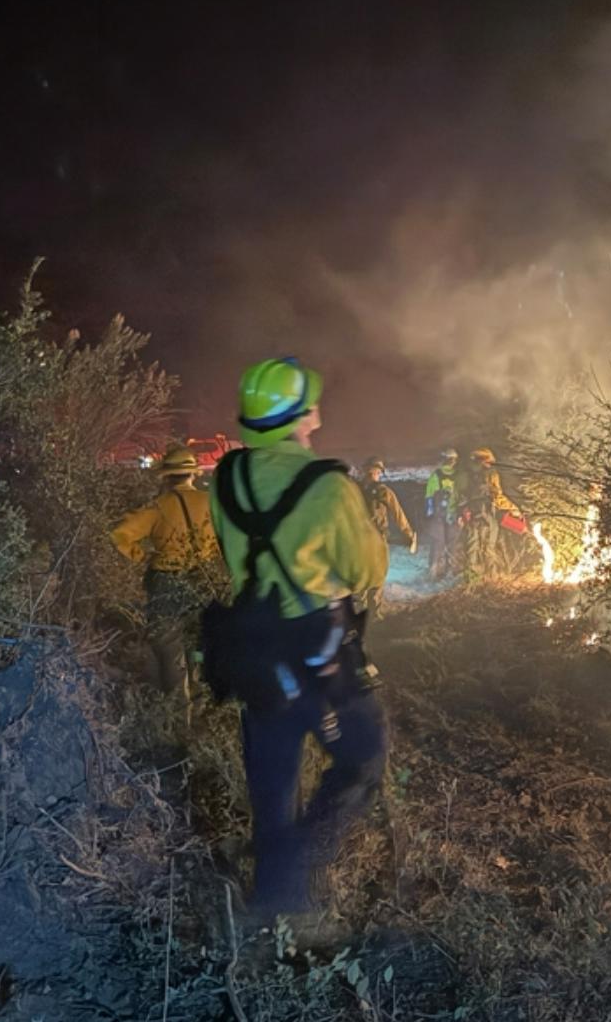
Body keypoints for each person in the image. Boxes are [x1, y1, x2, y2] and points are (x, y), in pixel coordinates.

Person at [207, 356, 390, 917]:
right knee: (363, 758)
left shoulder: (227, 478)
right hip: (319, 654)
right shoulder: (328, 486)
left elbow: (231, 551)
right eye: (310, 405)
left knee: (272, 789)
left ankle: (270, 909)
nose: (318, 411)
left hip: (253, 653)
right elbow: (367, 571)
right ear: (295, 419)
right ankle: (297, 867)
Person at [110, 446, 219, 691]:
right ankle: (206, 702)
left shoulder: (158, 507)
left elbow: (119, 534)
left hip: (164, 584)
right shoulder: (210, 503)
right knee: (201, 643)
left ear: (166, 476)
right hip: (204, 579)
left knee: (171, 651)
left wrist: (141, 555)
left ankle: (180, 716)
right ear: (193, 474)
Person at [452, 447, 519, 578]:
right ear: (482, 461)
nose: (491, 464)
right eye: (489, 461)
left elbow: (457, 497)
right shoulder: (489, 474)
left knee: (475, 545)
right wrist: (513, 508)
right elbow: (497, 496)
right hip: (483, 514)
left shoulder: (463, 475)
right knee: (487, 545)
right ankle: (488, 577)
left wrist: (459, 513)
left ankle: (475, 577)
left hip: (474, 514)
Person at [360, 457, 417, 554]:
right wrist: (409, 535)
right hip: (371, 538)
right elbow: (398, 514)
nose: (376, 474)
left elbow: (398, 514)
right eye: (377, 472)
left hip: (366, 537)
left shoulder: (358, 489)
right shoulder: (381, 491)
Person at [422, 448, 458, 580]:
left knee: (437, 543)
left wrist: (429, 515)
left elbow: (429, 496)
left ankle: (433, 572)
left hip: (438, 515)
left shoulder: (435, 475)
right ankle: (449, 572)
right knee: (451, 543)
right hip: (452, 515)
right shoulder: (458, 476)